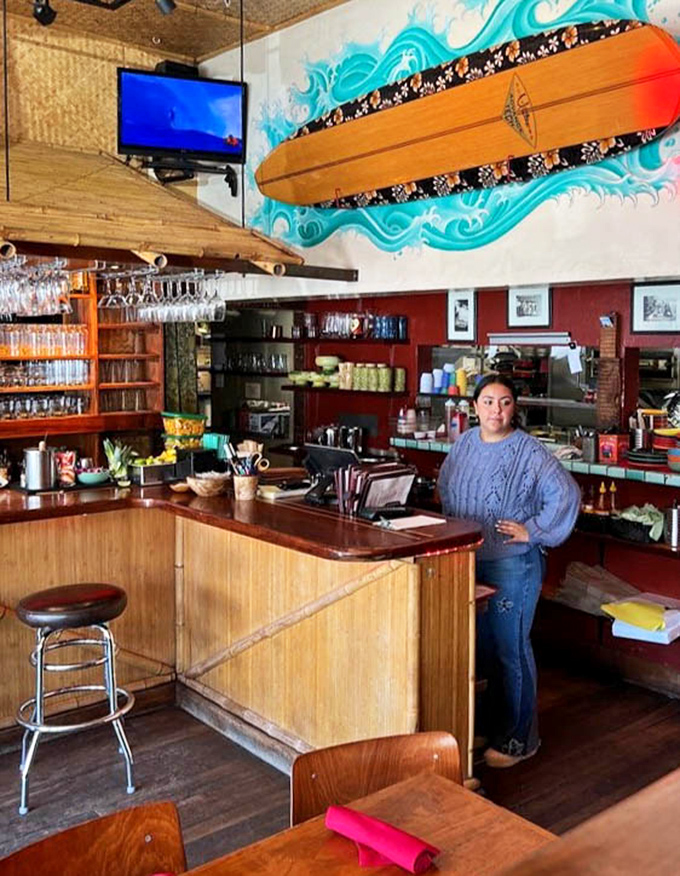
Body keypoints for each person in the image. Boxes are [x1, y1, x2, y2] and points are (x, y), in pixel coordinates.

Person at [437, 375, 581, 768]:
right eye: (487, 402)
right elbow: (447, 483)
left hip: (514, 564)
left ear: (514, 407)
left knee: (510, 650)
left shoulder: (529, 452)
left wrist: (533, 530)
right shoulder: (465, 442)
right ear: (474, 406)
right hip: (472, 559)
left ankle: (520, 739)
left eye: (503, 402)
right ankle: (490, 726)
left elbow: (566, 495)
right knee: (481, 649)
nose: (495, 410)